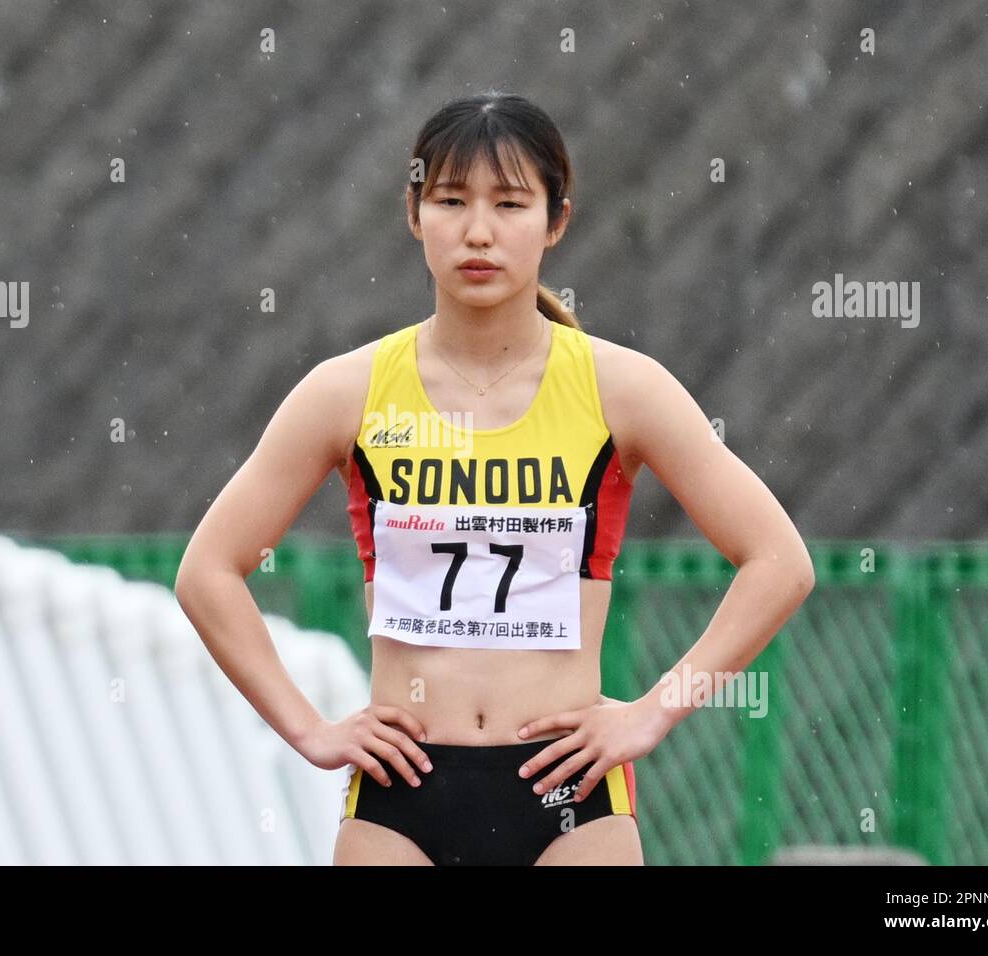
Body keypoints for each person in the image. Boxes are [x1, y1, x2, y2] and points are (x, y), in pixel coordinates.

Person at [174, 90, 815, 866]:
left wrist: (653, 713)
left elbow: (780, 561)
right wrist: (311, 729)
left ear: (557, 221)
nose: (478, 231)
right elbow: (208, 571)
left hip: (568, 792)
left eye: (511, 203)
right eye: (450, 200)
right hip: (401, 794)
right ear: (415, 214)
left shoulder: (623, 388)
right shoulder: (346, 391)